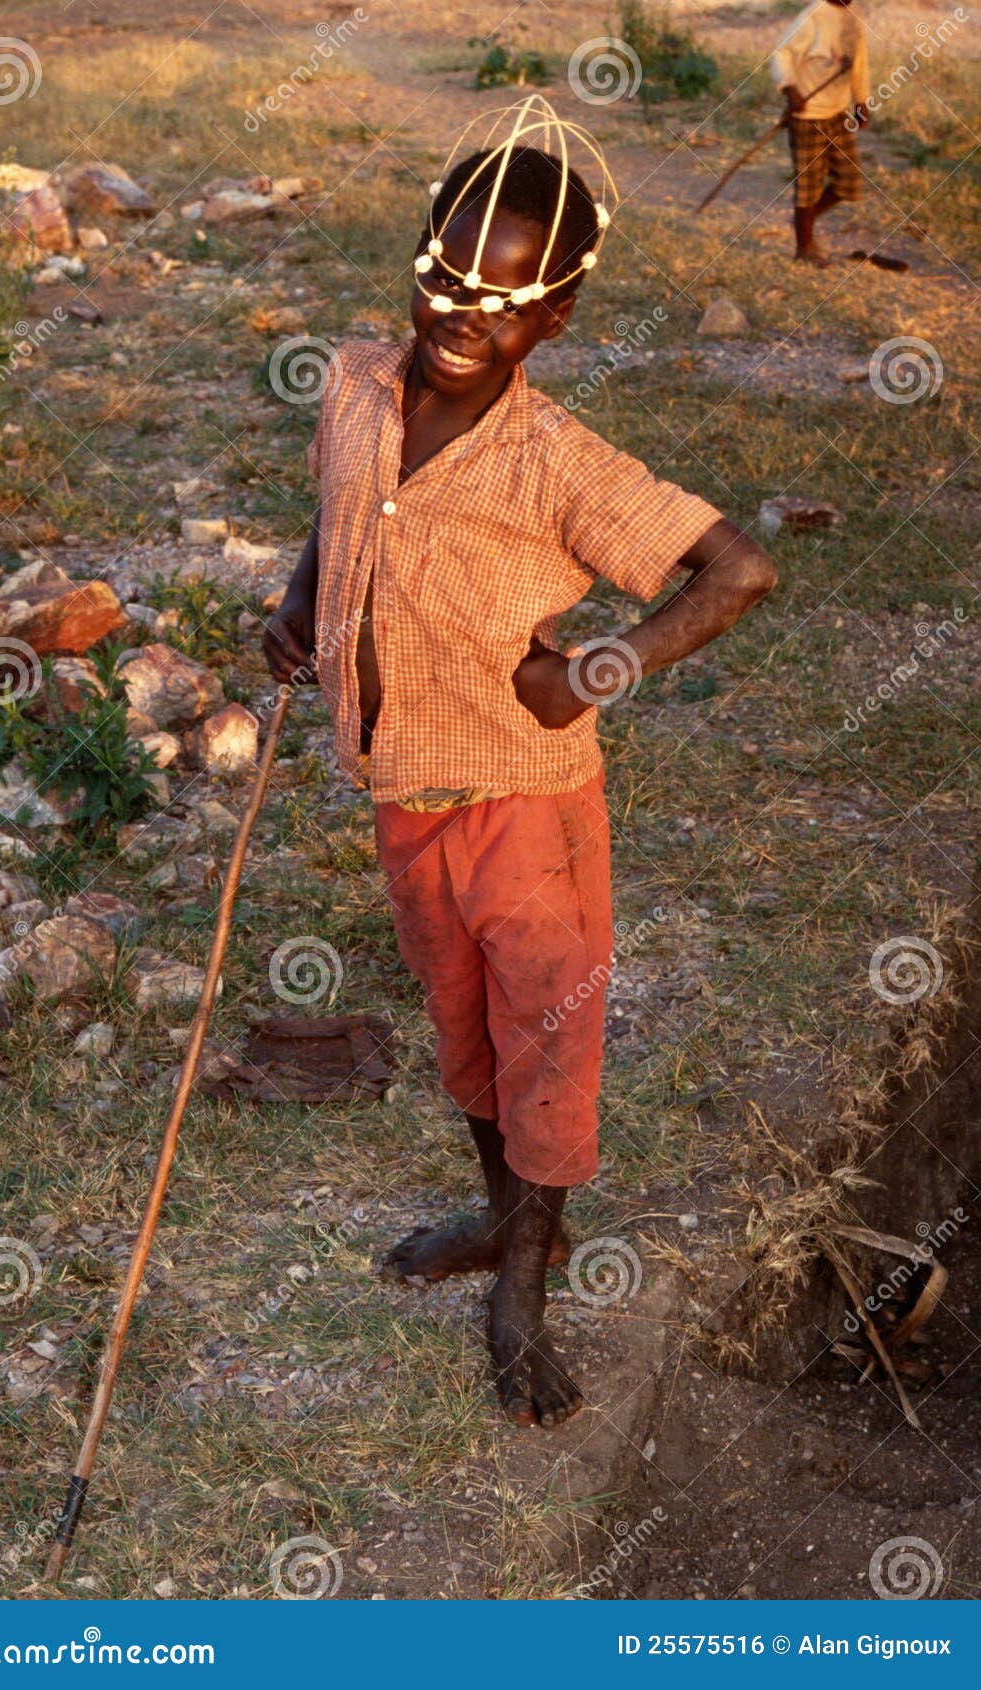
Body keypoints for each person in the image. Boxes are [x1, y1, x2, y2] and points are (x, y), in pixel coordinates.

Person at [264, 100, 777, 1429]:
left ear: (553, 318)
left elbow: (735, 568)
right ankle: (499, 1220)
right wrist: (300, 607)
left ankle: (522, 1283)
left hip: (526, 811)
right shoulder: (354, 382)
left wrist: (592, 668)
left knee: (545, 1040)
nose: (461, 306)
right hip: (404, 798)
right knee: (465, 1031)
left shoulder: (556, 464)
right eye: (445, 270)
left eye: (503, 295)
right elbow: (338, 510)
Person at [771, 0, 871, 265]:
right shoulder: (811, 18)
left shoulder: (853, 16)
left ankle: (805, 217)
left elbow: (858, 62)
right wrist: (790, 89)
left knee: (849, 181)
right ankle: (804, 247)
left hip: (837, 114)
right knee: (808, 186)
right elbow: (782, 54)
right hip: (808, 117)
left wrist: (861, 101)